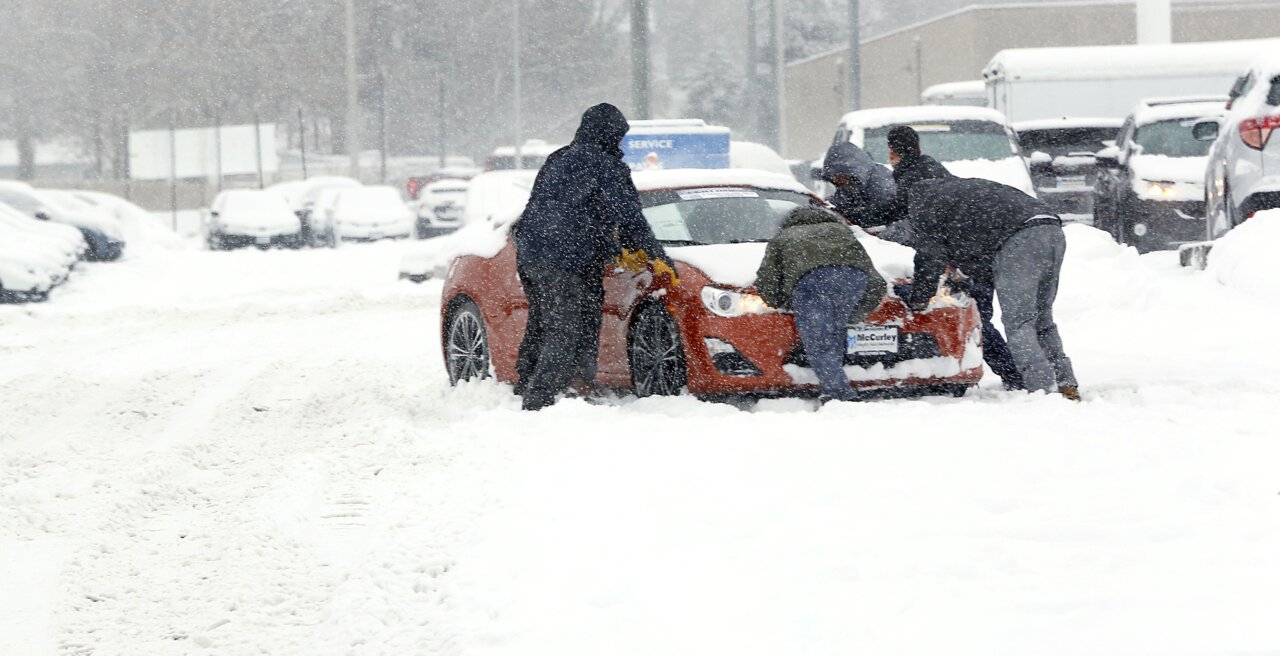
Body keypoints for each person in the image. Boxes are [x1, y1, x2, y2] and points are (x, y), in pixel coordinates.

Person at [511, 103, 677, 412]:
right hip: (567, 258)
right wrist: (655, 255)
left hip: (535, 255)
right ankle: (539, 401)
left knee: (550, 322)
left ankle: (560, 384)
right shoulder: (606, 166)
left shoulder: (558, 158)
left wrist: (612, 248)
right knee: (567, 329)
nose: (620, 144)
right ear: (610, 135)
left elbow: (556, 208)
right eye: (619, 137)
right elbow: (628, 217)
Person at [876, 125, 1024, 390]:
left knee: (977, 318)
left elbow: (928, 241)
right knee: (979, 317)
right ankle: (1014, 373)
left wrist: (921, 294)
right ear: (919, 148)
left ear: (891, 152)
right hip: (978, 251)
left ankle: (1015, 375)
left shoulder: (914, 182)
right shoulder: (934, 171)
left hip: (967, 258)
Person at [905, 176, 1080, 400]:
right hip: (1051, 227)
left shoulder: (927, 208)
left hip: (1021, 235)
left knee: (1019, 322)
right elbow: (985, 254)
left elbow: (930, 258)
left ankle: (1041, 391)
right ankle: (1066, 383)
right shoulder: (962, 195)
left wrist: (920, 298)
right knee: (1042, 318)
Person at [755, 207, 888, 403]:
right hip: (852, 280)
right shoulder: (841, 232)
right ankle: (834, 383)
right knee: (835, 334)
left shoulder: (784, 238)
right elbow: (874, 278)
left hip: (813, 283)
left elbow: (767, 278)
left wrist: (779, 302)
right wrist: (859, 311)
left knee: (819, 342)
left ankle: (839, 394)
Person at [821, 141, 896, 230]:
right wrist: (822, 205)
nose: (836, 180)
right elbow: (841, 202)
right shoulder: (850, 185)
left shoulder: (882, 185)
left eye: (839, 175)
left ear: (851, 171)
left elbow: (898, 221)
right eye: (833, 176)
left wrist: (879, 241)